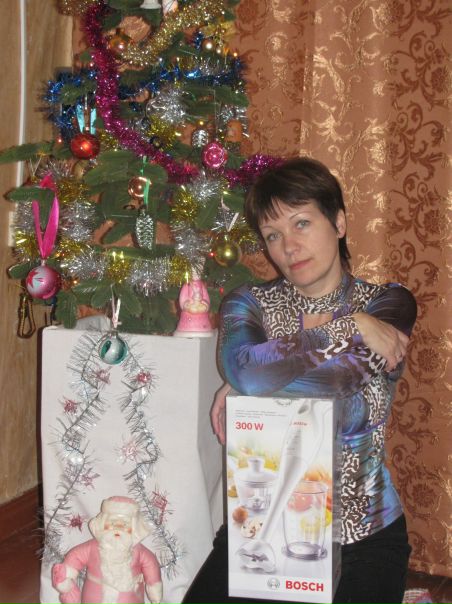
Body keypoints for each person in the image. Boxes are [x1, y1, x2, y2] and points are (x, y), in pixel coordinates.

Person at [182, 157, 417, 604]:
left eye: (302, 223)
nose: (289, 246)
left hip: (363, 533)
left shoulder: (388, 304)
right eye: (273, 235)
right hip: (260, 527)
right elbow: (244, 371)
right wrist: (347, 328)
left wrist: (256, 379)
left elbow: (337, 380)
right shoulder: (248, 303)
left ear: (339, 222)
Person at [52, 495, 163, 604]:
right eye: (113, 523)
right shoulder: (91, 548)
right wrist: (66, 577)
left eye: (125, 525)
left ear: (134, 528)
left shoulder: (140, 552)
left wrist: (154, 590)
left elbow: (151, 566)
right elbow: (75, 557)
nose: (118, 529)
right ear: (103, 523)